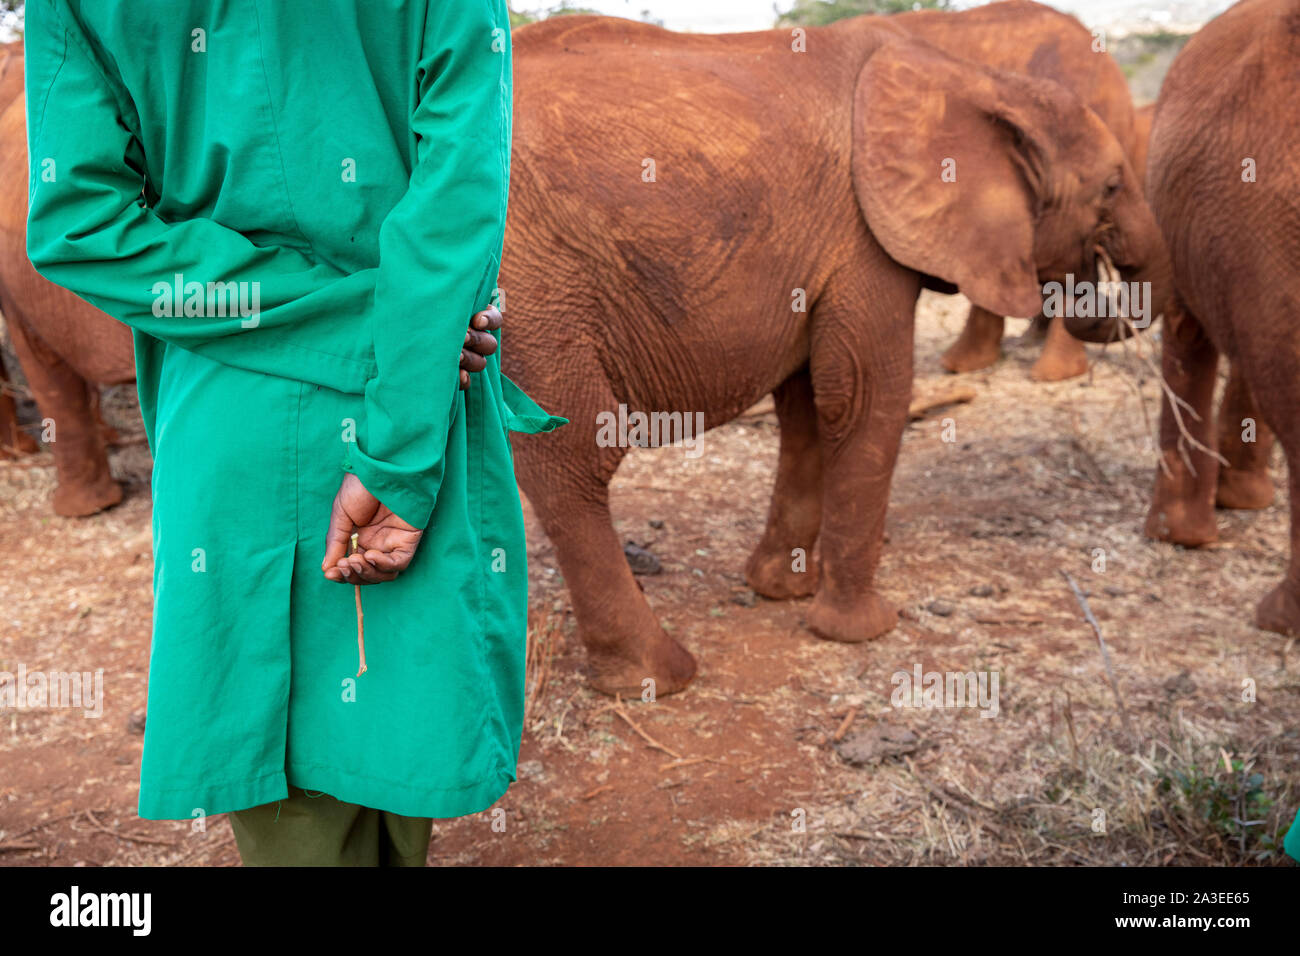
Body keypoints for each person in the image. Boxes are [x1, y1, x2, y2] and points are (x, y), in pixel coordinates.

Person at [24, 0, 565, 866]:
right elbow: (458, 196)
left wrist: (381, 332)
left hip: (229, 411)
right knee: (396, 754)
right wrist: (397, 337)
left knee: (298, 807)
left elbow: (80, 228)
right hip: (420, 395)